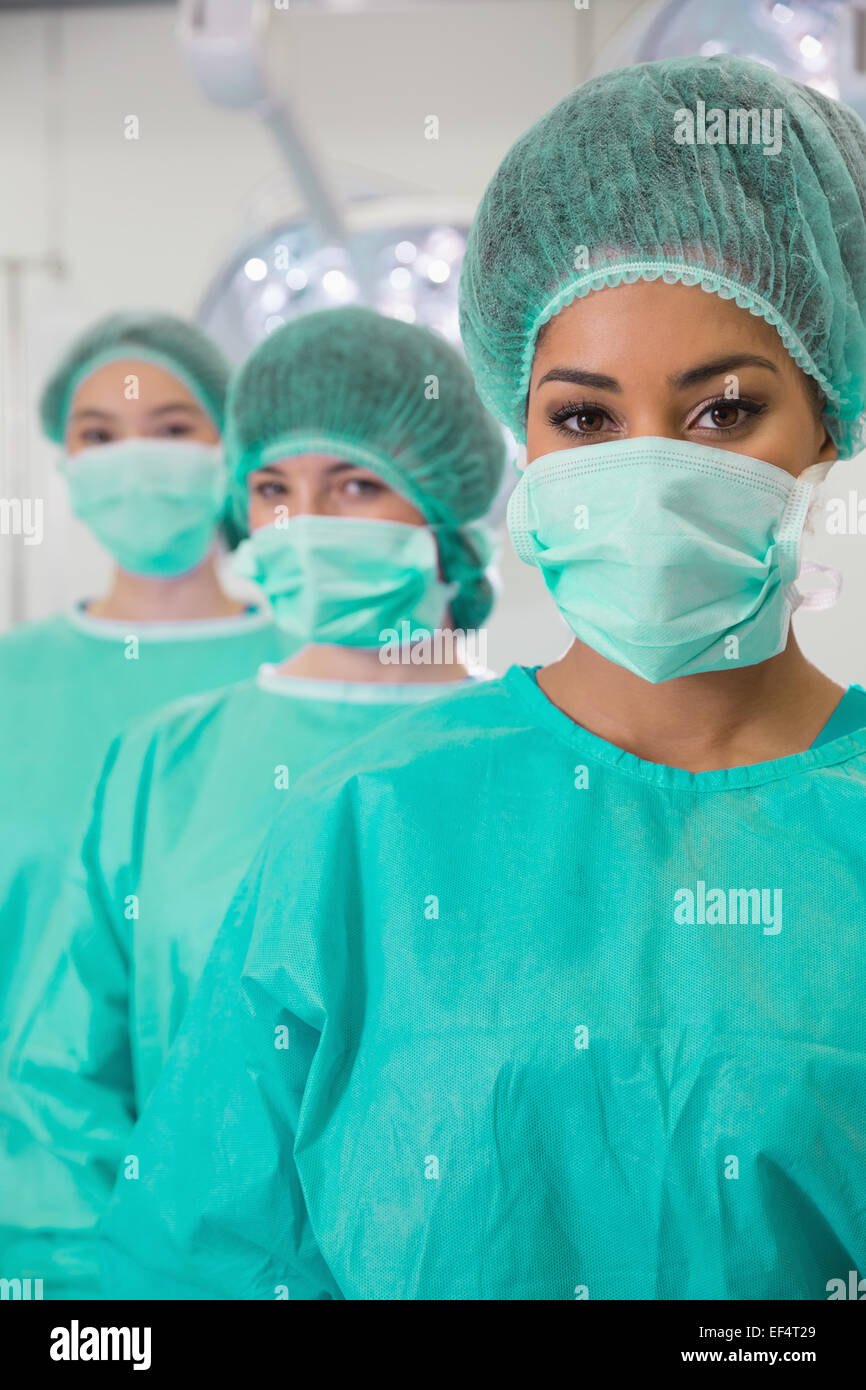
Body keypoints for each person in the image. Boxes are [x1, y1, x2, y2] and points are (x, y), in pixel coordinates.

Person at [101, 56, 866, 1301]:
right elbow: (199, 1265)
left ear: (832, 411)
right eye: (583, 419)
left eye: (722, 412)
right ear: (521, 433)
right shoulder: (366, 826)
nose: (646, 469)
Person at [1, 305, 504, 1299]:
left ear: (447, 505)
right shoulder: (165, 759)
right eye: (272, 489)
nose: (302, 524)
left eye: (354, 483)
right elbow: (64, 1088)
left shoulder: (538, 756)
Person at [0, 312, 288, 1056]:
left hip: (260, 1112)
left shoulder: (308, 668)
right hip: (26, 1123)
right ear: (65, 462)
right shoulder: (13, 679)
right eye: (99, 435)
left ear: (230, 447)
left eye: (171, 428)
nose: (133, 459)